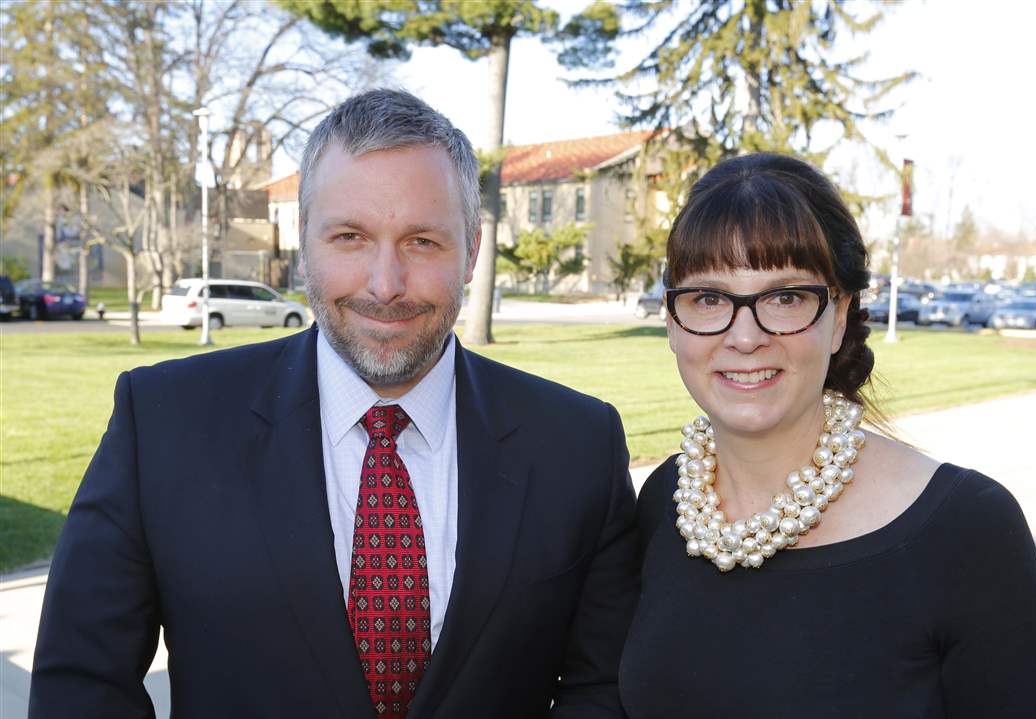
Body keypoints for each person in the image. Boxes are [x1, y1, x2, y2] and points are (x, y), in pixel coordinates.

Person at [31, 89, 639, 718]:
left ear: (473, 251)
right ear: (304, 244)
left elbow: (602, 686)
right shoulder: (162, 422)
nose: (385, 284)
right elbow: (82, 682)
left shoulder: (578, 443)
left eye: (423, 241)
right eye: (350, 236)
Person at [619, 153, 1036, 718]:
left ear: (840, 316)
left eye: (785, 298)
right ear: (673, 324)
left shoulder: (966, 529)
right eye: (708, 299)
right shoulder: (666, 502)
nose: (745, 336)